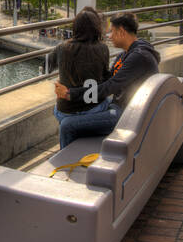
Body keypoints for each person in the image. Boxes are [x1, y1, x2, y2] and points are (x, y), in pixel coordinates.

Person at [61, 11, 159, 147]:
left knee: (67, 125)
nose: (109, 36)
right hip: (120, 106)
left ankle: (66, 164)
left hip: (127, 115)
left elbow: (110, 86)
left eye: (112, 32)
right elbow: (107, 78)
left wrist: (71, 94)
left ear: (121, 32)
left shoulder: (139, 57)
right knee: (63, 111)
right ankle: (78, 152)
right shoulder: (126, 54)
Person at [53, 6, 114, 148]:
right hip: (93, 109)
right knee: (108, 102)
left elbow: (47, 65)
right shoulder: (102, 49)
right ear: (96, 27)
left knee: (56, 109)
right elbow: (105, 81)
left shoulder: (62, 47)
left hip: (65, 112)